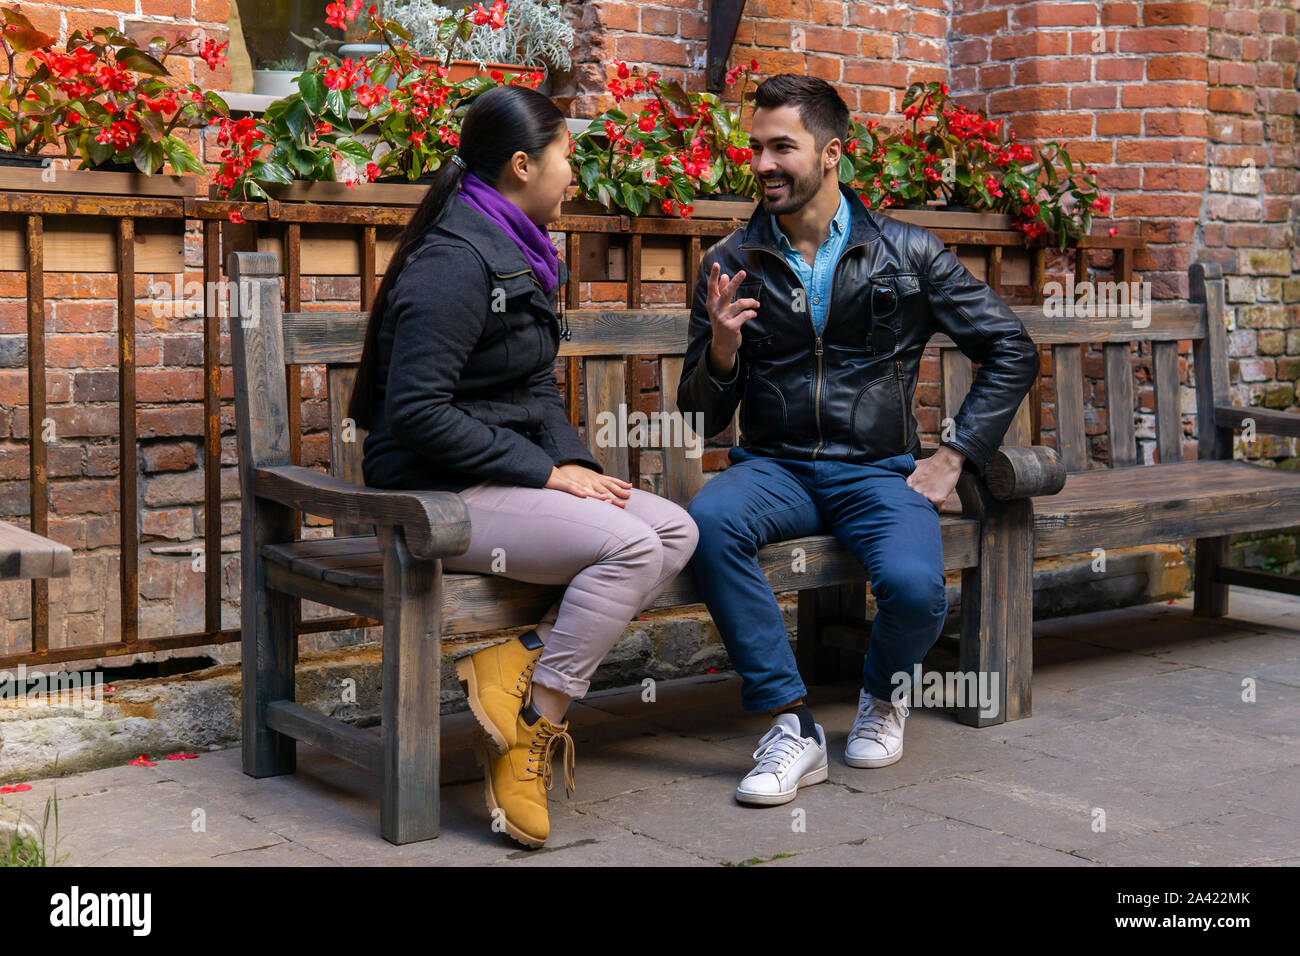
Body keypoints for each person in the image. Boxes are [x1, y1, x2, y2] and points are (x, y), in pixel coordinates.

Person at [349, 85, 699, 848]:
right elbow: (415, 413)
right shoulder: (454, 262)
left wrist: (571, 460)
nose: (573, 173)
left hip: (498, 477)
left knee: (672, 529)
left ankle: (519, 672)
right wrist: (545, 475)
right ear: (520, 165)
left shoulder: (515, 249)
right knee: (632, 546)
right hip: (431, 491)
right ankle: (531, 738)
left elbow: (532, 386)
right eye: (566, 155)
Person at [677, 75, 1040, 806]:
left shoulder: (906, 254)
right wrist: (719, 352)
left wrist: (954, 455)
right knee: (709, 526)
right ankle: (791, 724)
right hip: (773, 468)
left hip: (876, 471)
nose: (764, 165)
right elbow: (698, 417)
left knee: (912, 590)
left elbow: (1011, 349)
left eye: (783, 146)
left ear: (833, 153)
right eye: (756, 148)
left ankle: (881, 694)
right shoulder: (730, 262)